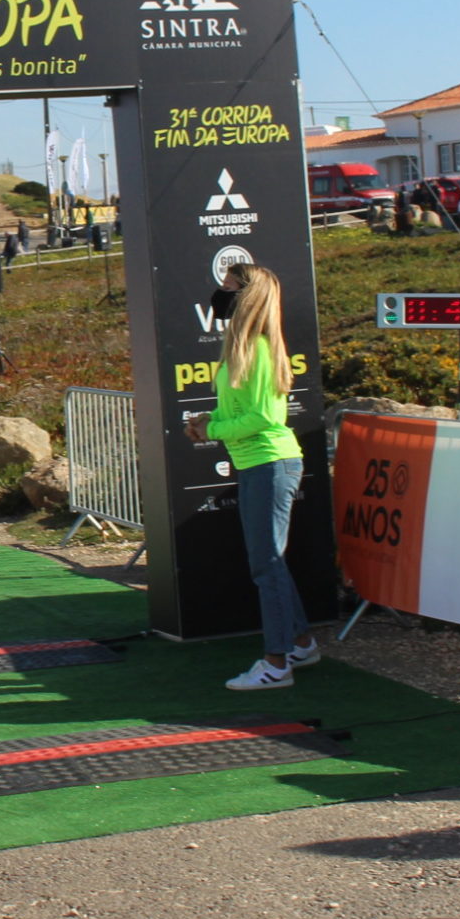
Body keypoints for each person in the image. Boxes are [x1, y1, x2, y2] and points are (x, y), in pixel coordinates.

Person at [196, 265, 317, 691]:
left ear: (247, 298)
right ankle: (300, 642)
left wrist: (211, 429)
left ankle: (276, 663)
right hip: (255, 465)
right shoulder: (242, 348)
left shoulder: (260, 349)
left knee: (267, 565)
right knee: (269, 562)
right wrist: (212, 420)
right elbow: (244, 411)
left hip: (270, 463)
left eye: (228, 289)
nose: (220, 295)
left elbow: (266, 417)